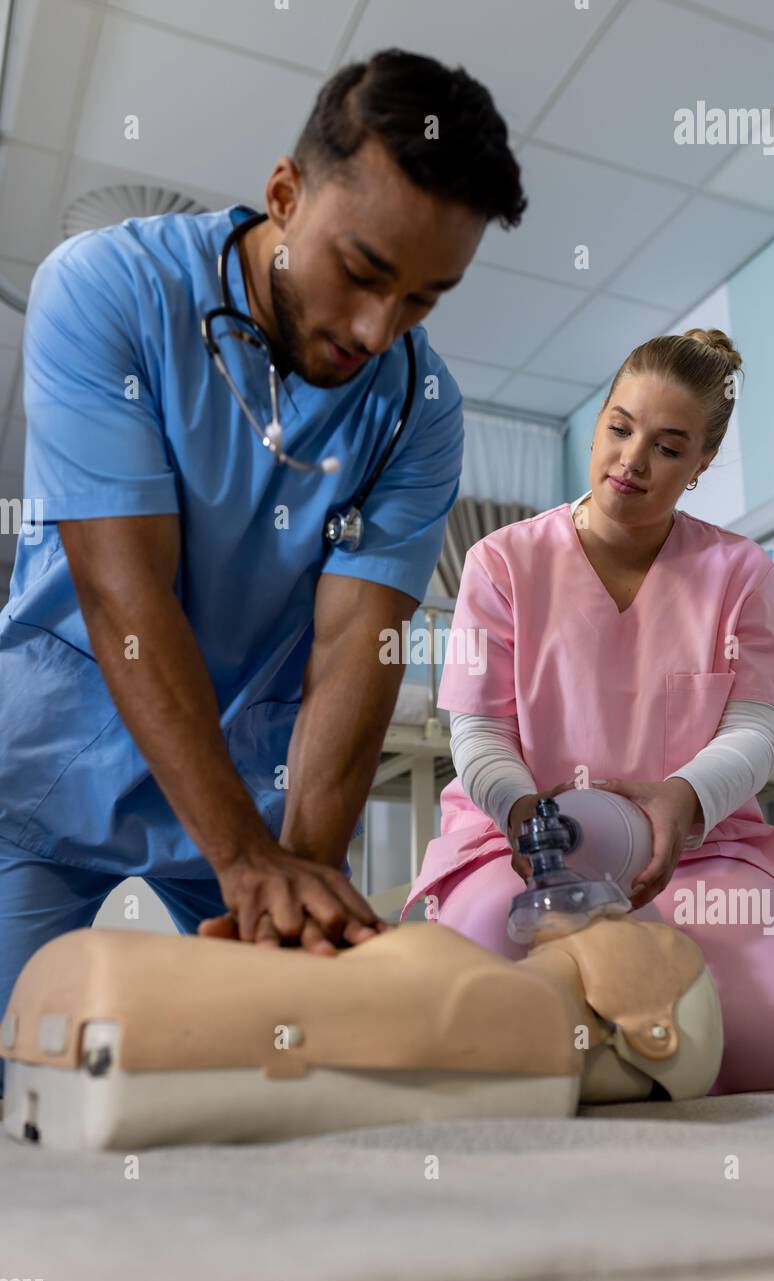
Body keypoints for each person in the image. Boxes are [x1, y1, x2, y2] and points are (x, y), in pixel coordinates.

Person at [0, 49, 528, 1093]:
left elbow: (357, 648)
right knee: (24, 1072)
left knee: (271, 1072)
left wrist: (308, 878)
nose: (379, 330)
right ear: (285, 194)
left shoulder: (418, 410)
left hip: (251, 772)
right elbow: (124, 593)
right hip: (53, 763)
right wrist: (245, 855)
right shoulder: (105, 289)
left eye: (425, 297)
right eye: (365, 272)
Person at [403, 329, 774, 1095]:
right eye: (619, 427)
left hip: (694, 851)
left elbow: (752, 727)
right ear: (600, 417)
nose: (632, 460)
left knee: (773, 1040)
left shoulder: (738, 572)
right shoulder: (500, 562)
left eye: (668, 448)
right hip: (522, 845)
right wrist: (524, 812)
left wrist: (684, 797)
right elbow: (480, 733)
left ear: (701, 464)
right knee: (473, 1013)